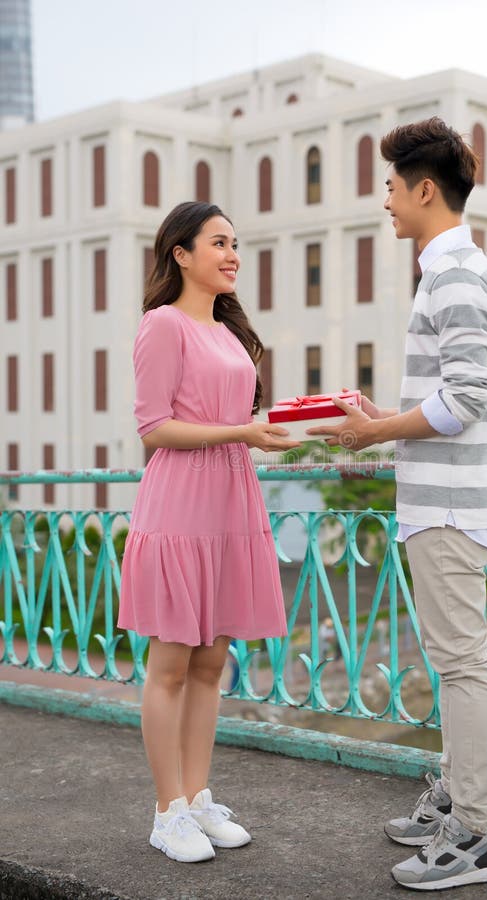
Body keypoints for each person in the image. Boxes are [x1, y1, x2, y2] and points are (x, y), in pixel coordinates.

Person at [308, 117, 487, 890]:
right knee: (458, 662)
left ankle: (474, 834)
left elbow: (461, 400)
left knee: (461, 666)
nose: (385, 201)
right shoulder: (451, 270)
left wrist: (373, 434)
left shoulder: (455, 273)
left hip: (451, 510)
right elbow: (451, 392)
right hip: (447, 503)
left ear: (425, 189)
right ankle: (455, 803)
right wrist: (381, 416)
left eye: (391, 187)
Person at [118, 201, 299, 864]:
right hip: (180, 504)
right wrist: (242, 432)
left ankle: (196, 798)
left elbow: (239, 416)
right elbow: (153, 426)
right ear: (181, 253)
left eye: (235, 244)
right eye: (218, 242)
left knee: (210, 662)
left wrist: (271, 430)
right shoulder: (163, 325)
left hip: (229, 501)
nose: (231, 254)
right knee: (169, 665)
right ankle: (166, 811)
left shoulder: (228, 332)